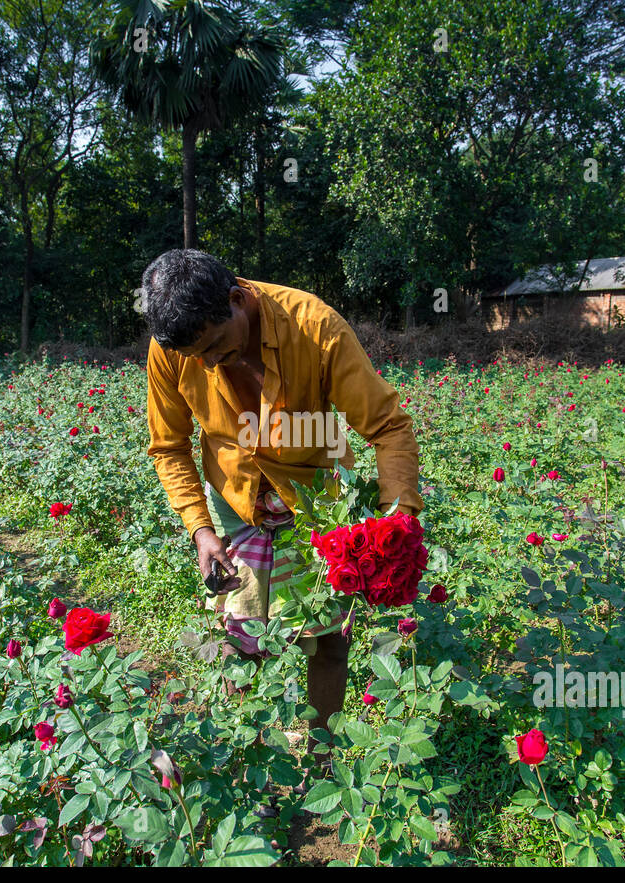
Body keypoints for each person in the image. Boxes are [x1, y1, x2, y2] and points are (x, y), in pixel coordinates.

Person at [141, 249, 424, 799]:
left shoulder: (315, 326)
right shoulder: (175, 348)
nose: (207, 365)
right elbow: (169, 445)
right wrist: (201, 529)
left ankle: (321, 759)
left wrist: (399, 523)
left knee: (328, 641)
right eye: (195, 357)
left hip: (314, 494)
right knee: (240, 636)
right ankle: (246, 753)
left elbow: (387, 427)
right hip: (235, 497)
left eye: (216, 348)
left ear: (237, 300)